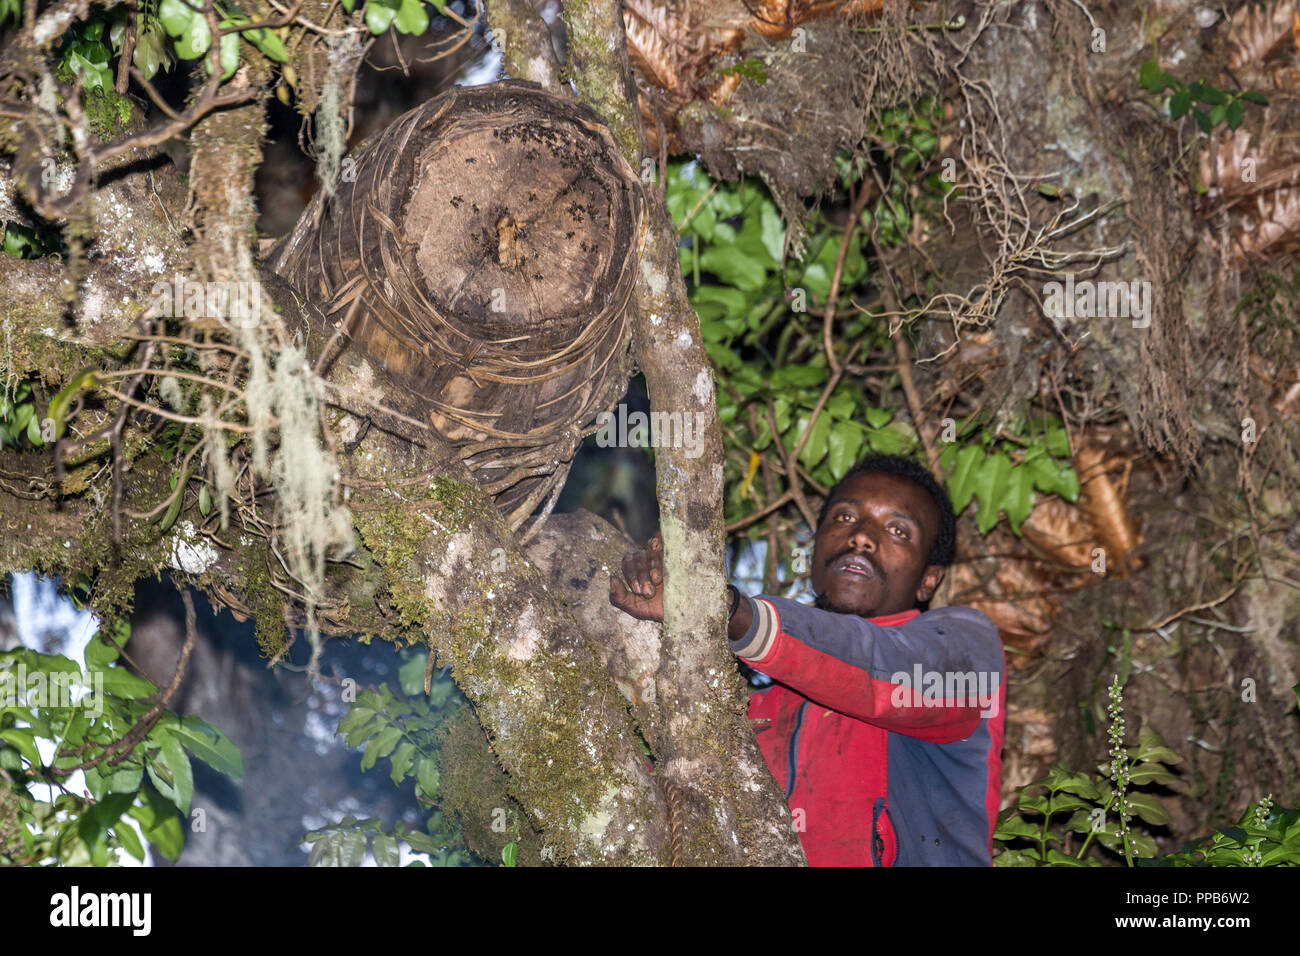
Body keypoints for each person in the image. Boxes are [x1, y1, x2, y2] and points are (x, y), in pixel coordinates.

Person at [609, 453, 1005, 866]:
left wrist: (723, 609)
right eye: (845, 519)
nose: (862, 538)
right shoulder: (748, 688)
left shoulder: (966, 647)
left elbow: (879, 669)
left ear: (929, 580)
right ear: (815, 547)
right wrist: (657, 592)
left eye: (897, 530)